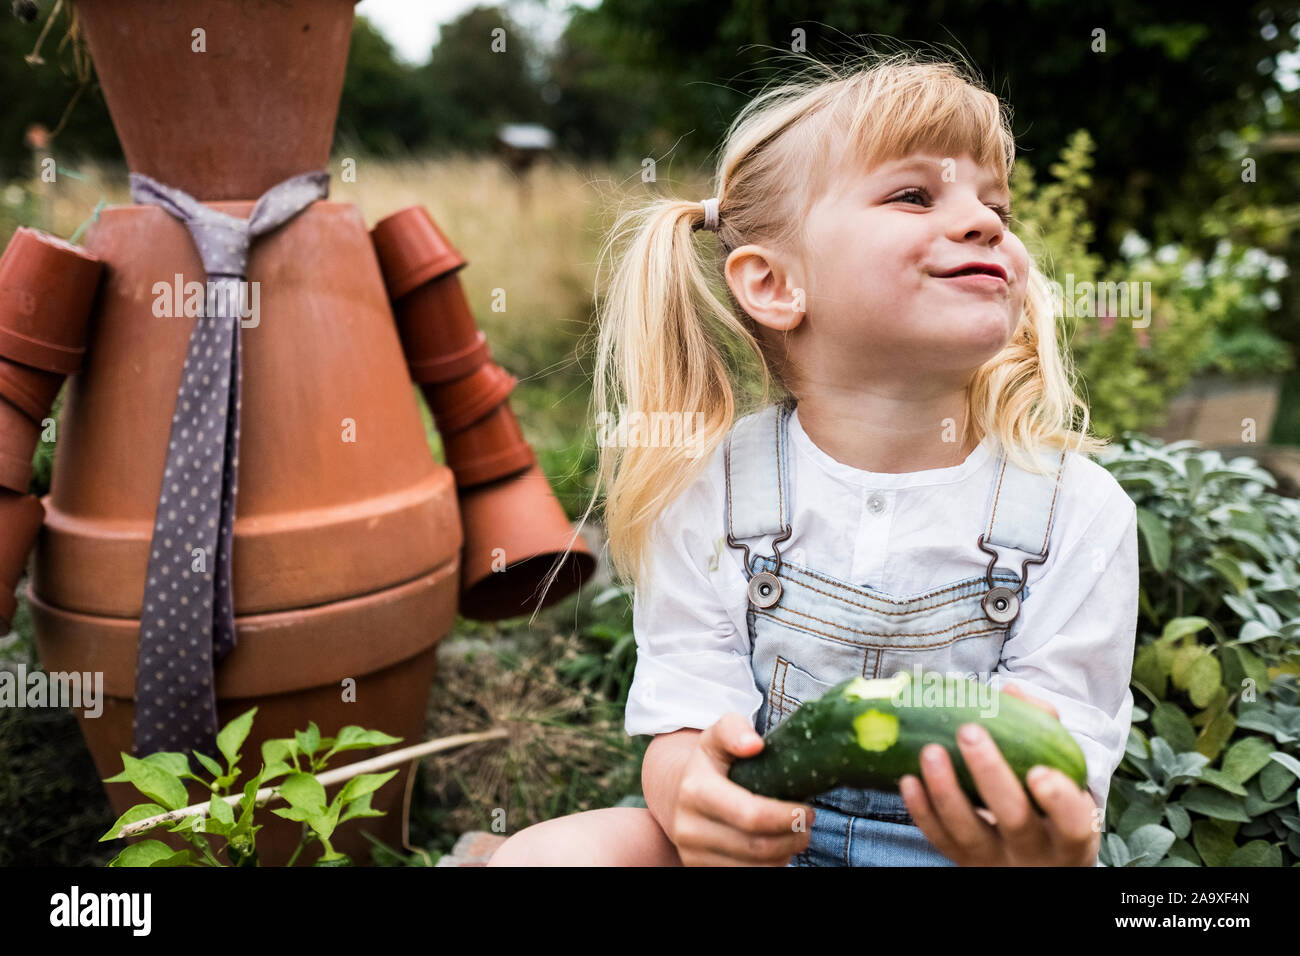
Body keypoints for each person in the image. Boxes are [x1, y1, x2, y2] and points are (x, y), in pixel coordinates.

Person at [489, 49, 1138, 867]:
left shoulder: (1075, 510)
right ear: (773, 284)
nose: (987, 223)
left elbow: (1065, 760)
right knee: (551, 856)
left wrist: (1047, 834)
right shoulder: (714, 488)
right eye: (913, 195)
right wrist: (702, 801)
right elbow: (684, 722)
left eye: (996, 204)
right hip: (761, 848)